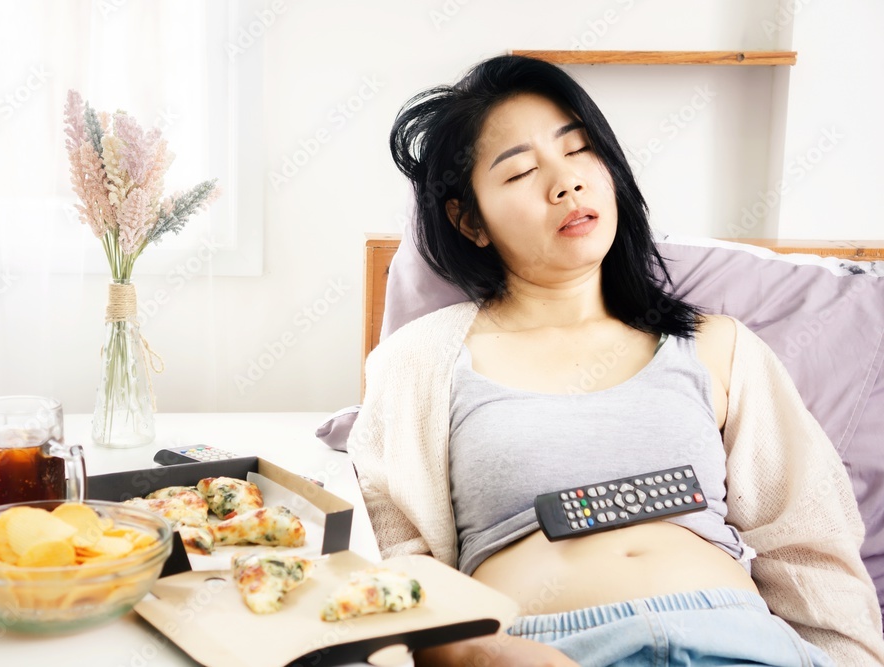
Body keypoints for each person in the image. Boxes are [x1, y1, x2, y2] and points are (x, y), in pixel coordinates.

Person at [348, 55, 884, 667]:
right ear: (470, 221)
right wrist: (478, 654)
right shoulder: (420, 362)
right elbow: (393, 564)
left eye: (579, 150)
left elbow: (811, 548)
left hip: (741, 643)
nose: (566, 184)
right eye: (521, 171)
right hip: (542, 651)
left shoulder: (718, 345)